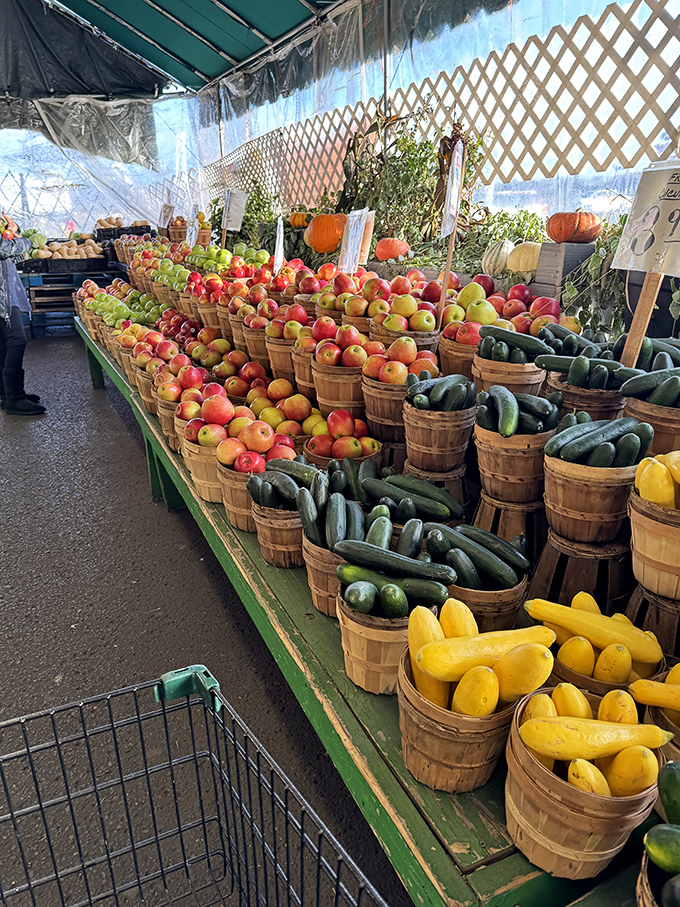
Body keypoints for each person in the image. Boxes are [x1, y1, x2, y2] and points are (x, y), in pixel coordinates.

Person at [0, 211, 44, 415]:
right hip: (2, 296)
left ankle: (7, 393)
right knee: (17, 340)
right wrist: (23, 240)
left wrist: (16, 243)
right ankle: (14, 398)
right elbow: (3, 248)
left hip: (6, 289)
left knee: (4, 343)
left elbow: (7, 257)